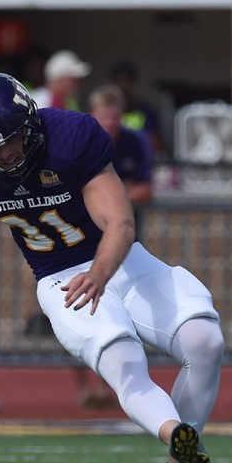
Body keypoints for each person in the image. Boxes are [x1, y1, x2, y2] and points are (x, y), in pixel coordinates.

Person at [0, 73, 224, 463]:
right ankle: (177, 432)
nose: (6, 155)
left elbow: (120, 222)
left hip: (117, 259)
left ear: (30, 122)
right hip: (57, 277)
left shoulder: (71, 136)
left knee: (204, 339)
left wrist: (99, 273)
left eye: (12, 140)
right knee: (122, 357)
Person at [70, 84, 157, 409]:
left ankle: (122, 385)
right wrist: (113, 198)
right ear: (92, 115)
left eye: (115, 117)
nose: (110, 123)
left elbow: (146, 189)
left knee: (126, 314)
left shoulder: (135, 141)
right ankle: (85, 386)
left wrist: (110, 202)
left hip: (124, 245)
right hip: (79, 243)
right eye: (103, 116)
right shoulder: (79, 140)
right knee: (76, 311)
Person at [106, 59, 166, 159]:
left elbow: (157, 148)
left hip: (137, 166)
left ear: (133, 82)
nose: (121, 86)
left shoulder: (145, 112)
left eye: (125, 81)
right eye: (117, 81)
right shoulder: (104, 112)